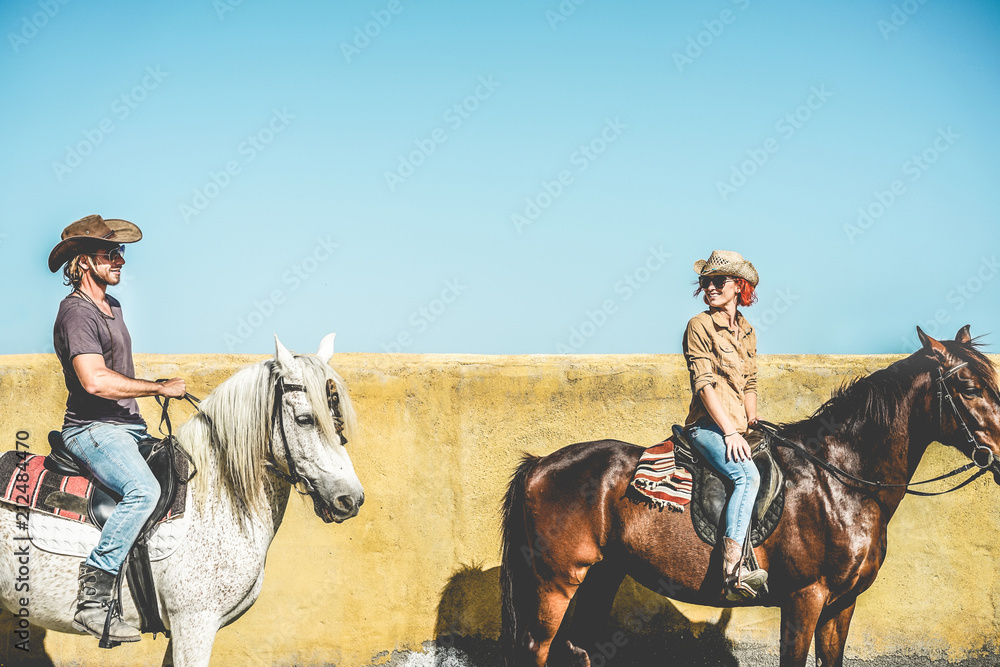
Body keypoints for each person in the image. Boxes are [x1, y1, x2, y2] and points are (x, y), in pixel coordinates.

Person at [48, 214, 186, 643]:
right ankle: (93, 597)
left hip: (129, 426)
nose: (120, 259)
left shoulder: (114, 306)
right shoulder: (76, 311)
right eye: (111, 253)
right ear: (85, 262)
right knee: (144, 491)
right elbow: (95, 380)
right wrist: (157, 388)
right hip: (93, 428)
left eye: (121, 252)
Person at [681, 250, 767, 600]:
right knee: (748, 476)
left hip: (738, 425)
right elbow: (704, 384)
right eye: (707, 282)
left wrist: (752, 419)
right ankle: (733, 573)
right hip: (708, 426)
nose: (711, 287)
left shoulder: (747, 332)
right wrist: (730, 432)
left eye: (719, 281)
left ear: (739, 287)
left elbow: (749, 383)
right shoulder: (699, 325)